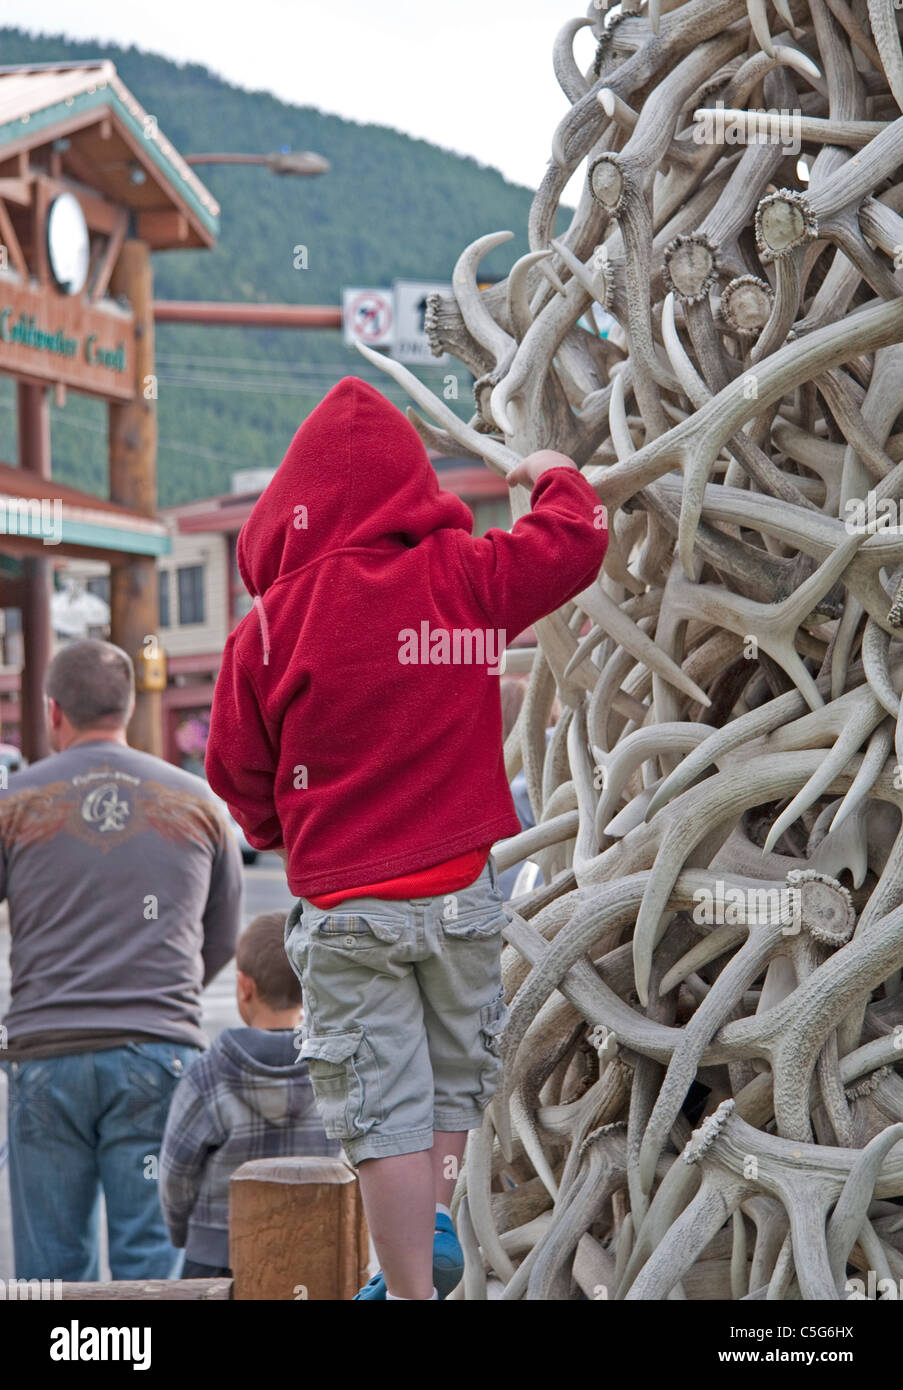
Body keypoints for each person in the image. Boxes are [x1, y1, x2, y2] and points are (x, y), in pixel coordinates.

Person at [205, 377, 608, 1300]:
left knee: (379, 1111)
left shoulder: (268, 628)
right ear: (410, 491)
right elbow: (573, 539)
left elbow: (237, 776)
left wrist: (291, 831)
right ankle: (430, 1220)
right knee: (451, 1079)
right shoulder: (459, 577)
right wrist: (551, 472)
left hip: (347, 906)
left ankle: (412, 1290)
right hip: (462, 892)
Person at [0, 639, 243, 1281]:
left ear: (54, 712)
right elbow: (220, 938)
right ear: (130, 707)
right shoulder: (198, 802)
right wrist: (160, 996)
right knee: (150, 1266)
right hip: (159, 1053)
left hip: (45, 1054)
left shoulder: (13, 803)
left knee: (50, 1274)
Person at [159, 911, 341, 1277]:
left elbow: (175, 1173)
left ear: (244, 987)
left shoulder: (208, 1073)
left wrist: (185, 1233)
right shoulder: (335, 1071)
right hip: (311, 1251)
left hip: (217, 1258)